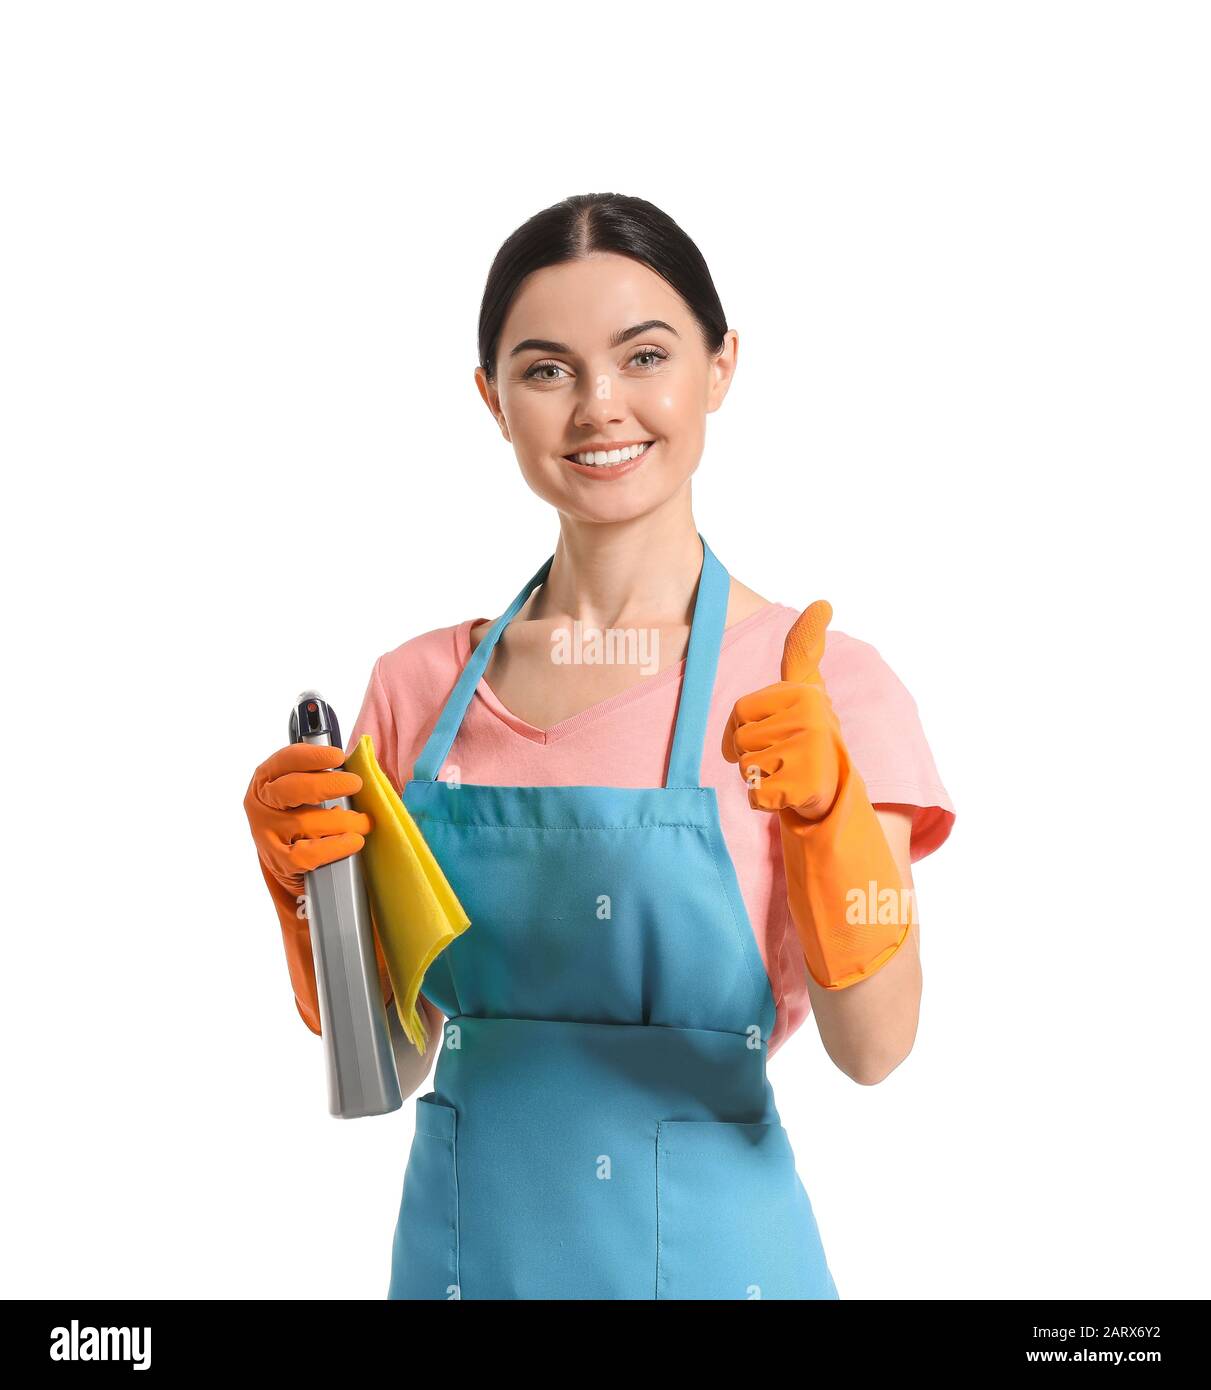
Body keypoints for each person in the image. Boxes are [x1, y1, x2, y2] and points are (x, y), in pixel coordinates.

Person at [243, 192, 956, 1300]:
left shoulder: (818, 688)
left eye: (643, 356)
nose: (598, 406)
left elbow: (874, 1052)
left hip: (719, 1265)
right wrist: (307, 896)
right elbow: (384, 1066)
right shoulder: (416, 694)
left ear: (719, 367)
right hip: (461, 1261)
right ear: (491, 398)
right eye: (545, 369)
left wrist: (828, 822)